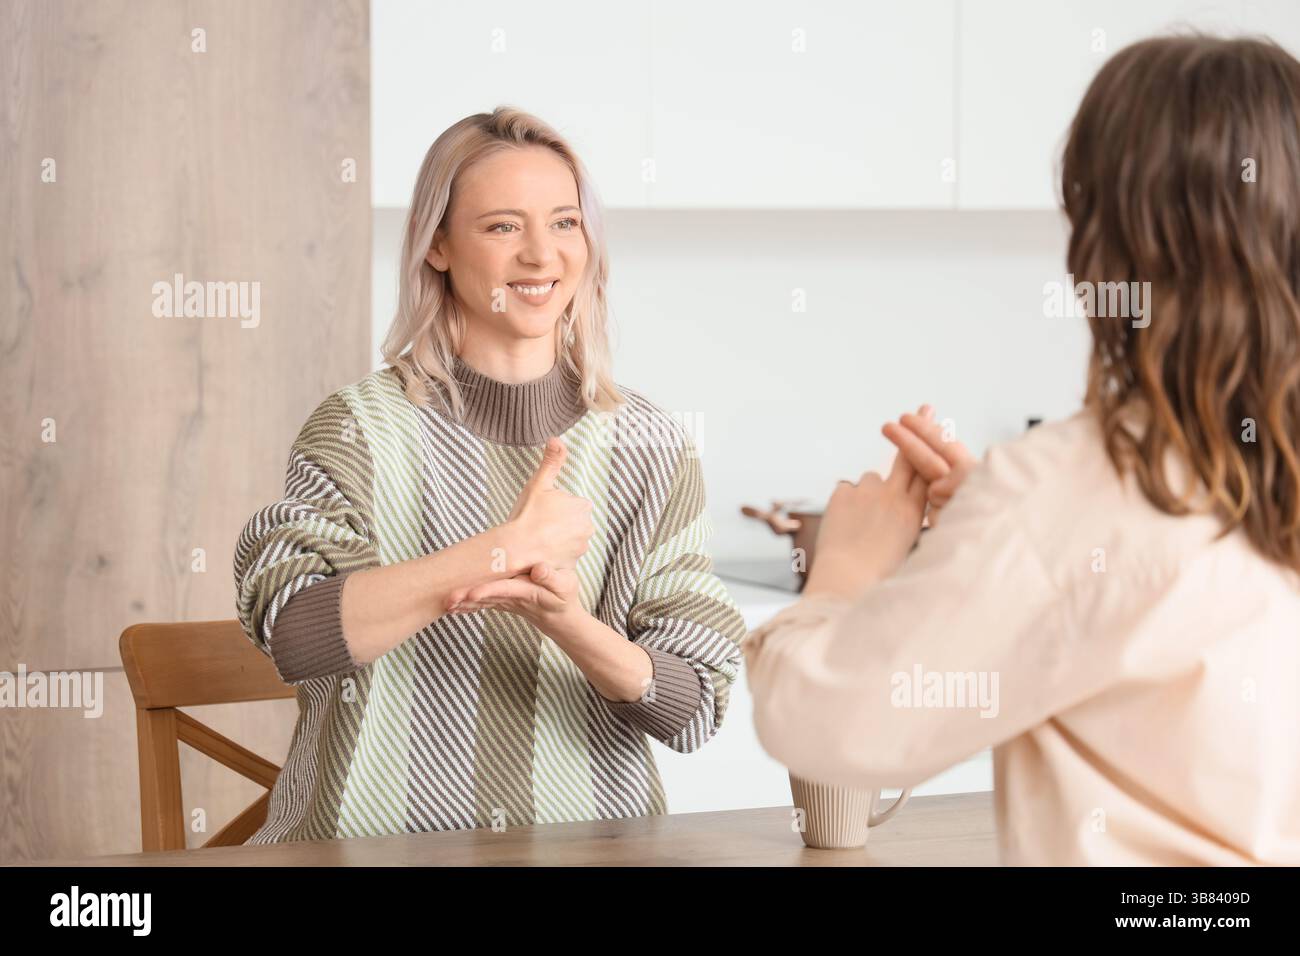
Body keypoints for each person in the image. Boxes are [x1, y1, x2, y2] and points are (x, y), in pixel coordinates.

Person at [743, 35, 1300, 865]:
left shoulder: (1068, 489)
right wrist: (999, 528)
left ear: (1105, 243)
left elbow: (828, 726)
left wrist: (843, 572)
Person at [233, 107, 746, 843]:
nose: (542, 256)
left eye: (565, 223)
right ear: (437, 244)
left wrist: (567, 622)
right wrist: (497, 554)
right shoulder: (357, 428)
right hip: (371, 849)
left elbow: (693, 709)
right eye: (504, 226)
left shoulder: (647, 444)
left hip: (593, 850)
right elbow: (294, 634)